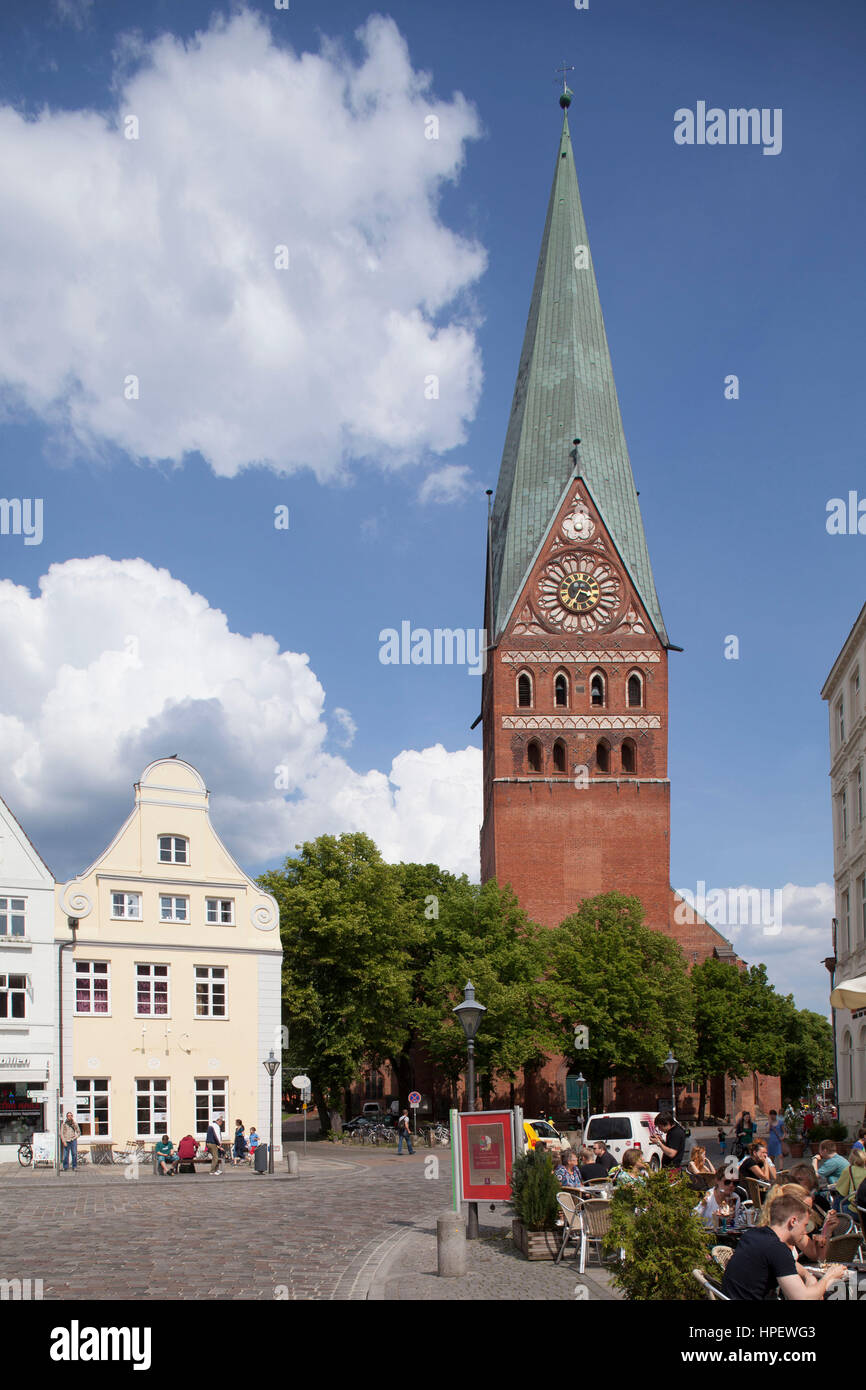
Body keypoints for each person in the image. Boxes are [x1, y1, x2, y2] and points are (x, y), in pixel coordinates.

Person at [722, 1191, 846, 1300]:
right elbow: (803, 1298)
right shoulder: (777, 1248)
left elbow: (787, 1263)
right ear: (793, 1221)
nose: (805, 1232)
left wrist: (808, 1275)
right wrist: (829, 1277)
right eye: (804, 1225)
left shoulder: (754, 1234)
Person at [758, 1172, 839, 1262]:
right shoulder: (774, 1239)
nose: (811, 1213)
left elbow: (817, 1257)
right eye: (807, 1209)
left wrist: (826, 1231)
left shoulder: (795, 1230)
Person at [835, 1141, 866, 1216]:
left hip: (858, 1209)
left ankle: (836, 1224)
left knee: (838, 1203)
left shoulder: (849, 1170)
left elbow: (842, 1191)